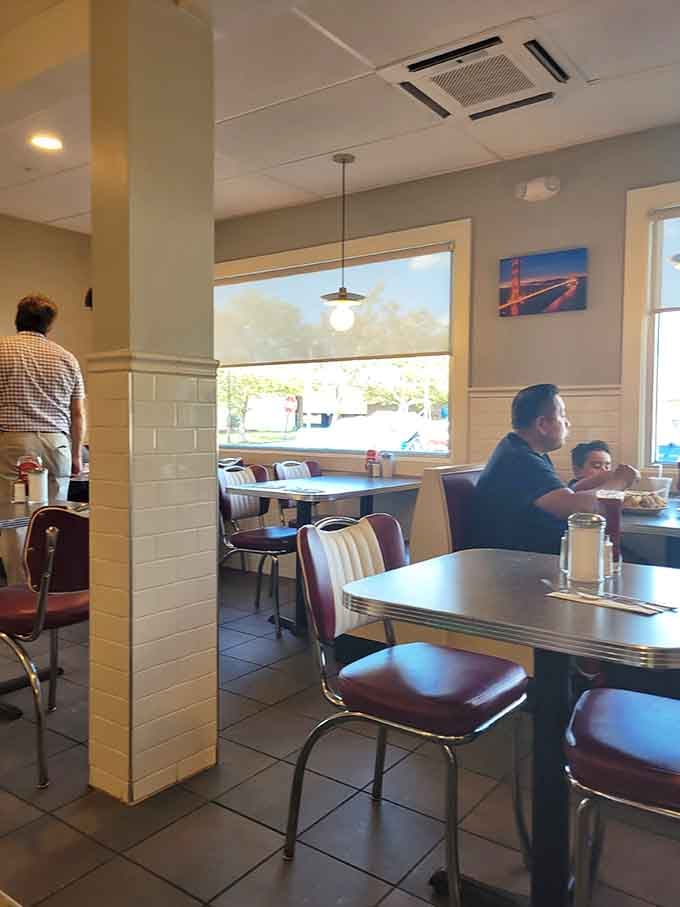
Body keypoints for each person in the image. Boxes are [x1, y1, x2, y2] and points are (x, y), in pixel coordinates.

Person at [471, 384, 638, 555]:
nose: (568, 422)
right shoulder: (520, 459)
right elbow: (578, 509)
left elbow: (561, 496)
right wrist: (620, 481)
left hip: (538, 551)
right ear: (542, 424)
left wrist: (607, 476)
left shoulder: (522, 450)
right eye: (562, 415)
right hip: (517, 561)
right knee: (636, 563)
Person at [0, 294, 86, 584]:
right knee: (53, 515)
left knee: (15, 518)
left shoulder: (2, 349)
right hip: (57, 444)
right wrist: (75, 455)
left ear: (18, 318)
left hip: (14, 442)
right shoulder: (67, 357)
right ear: (49, 326)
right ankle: (52, 582)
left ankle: (20, 585)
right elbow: (77, 414)